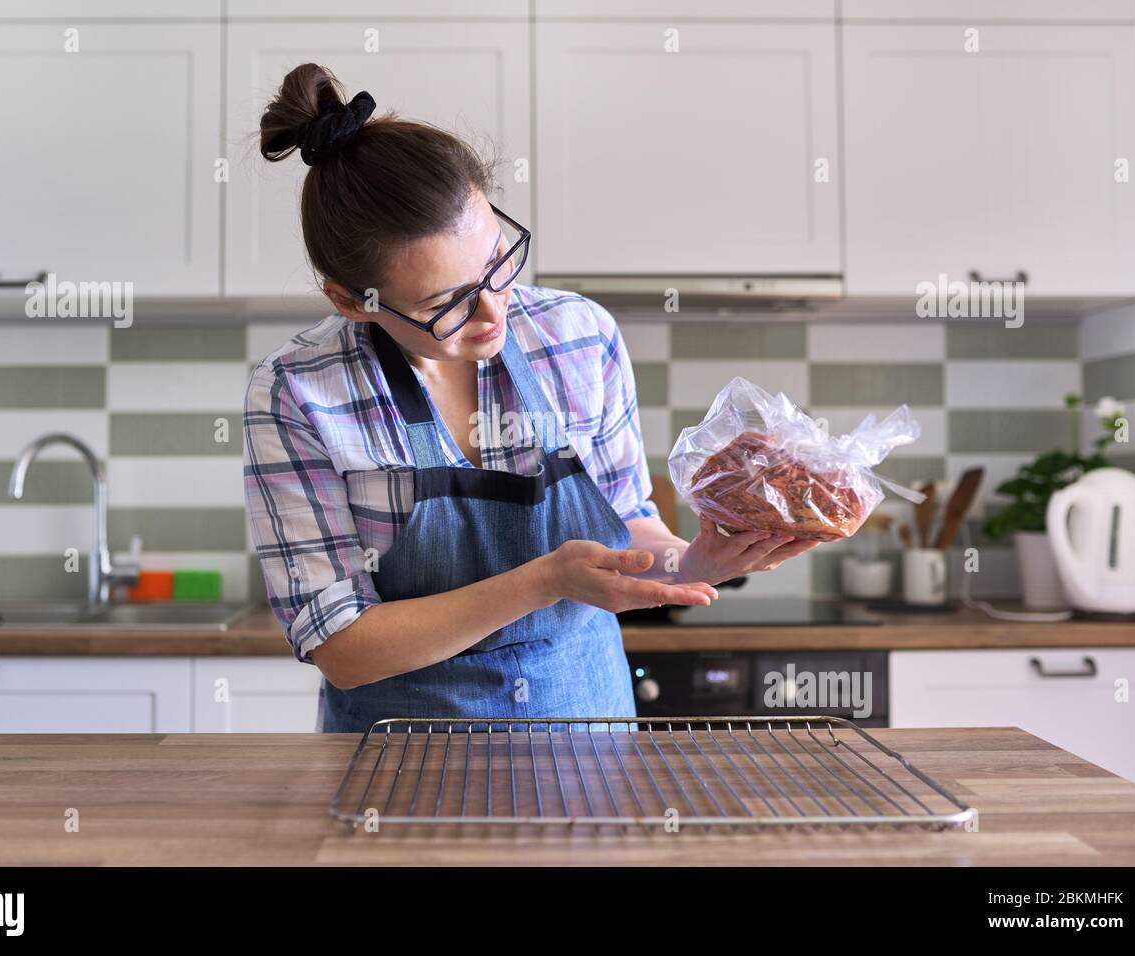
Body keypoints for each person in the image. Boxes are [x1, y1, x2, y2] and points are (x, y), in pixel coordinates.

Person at [243, 64, 818, 732]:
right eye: (447, 302)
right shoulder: (300, 391)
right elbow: (343, 648)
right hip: (396, 764)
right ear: (350, 299)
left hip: (585, 737)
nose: (493, 311)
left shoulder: (576, 336)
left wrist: (693, 561)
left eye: (496, 263)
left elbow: (625, 523)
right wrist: (543, 581)